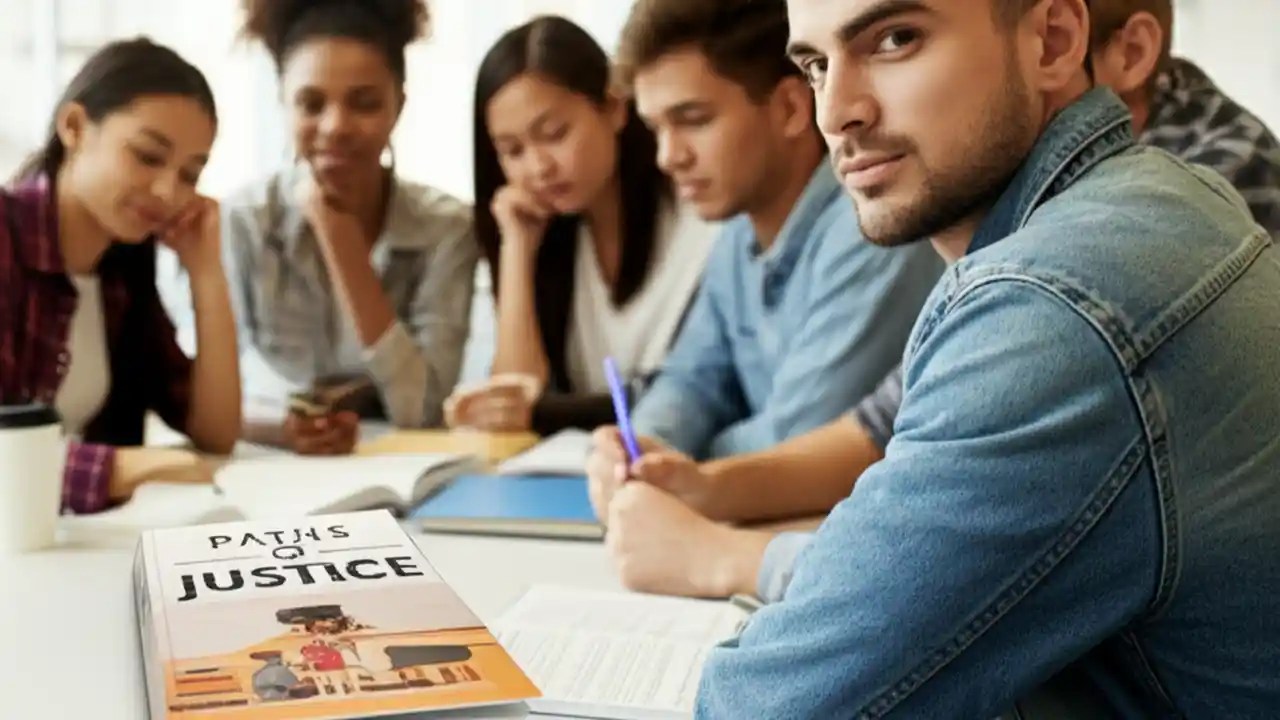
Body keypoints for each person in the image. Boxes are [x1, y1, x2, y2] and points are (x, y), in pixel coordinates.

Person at [651, 0, 1275, 715]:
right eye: (818, 65)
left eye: (894, 39)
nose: (836, 113)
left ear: (1053, 40)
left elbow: (771, 706)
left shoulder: (1049, 309)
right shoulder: (1171, 198)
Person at [588, 0, 942, 464]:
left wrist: (676, 466)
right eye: (656, 129)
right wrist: (648, 443)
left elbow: (797, 439)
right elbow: (691, 379)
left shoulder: (871, 229)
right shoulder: (736, 235)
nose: (667, 156)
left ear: (792, 108)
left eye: (693, 120)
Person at [219, 0, 478, 455]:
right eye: (311, 103)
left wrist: (341, 243)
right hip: (271, 465)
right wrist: (281, 429)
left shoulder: (447, 229)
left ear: (399, 102)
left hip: (399, 473)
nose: (336, 126)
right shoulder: (243, 222)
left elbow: (420, 410)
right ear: (283, 103)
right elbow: (202, 396)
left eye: (364, 103)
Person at [445, 15, 721, 436]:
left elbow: (704, 390)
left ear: (613, 108)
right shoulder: (553, 237)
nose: (538, 167)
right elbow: (516, 403)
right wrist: (517, 247)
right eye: (512, 150)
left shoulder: (701, 213)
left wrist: (548, 412)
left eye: (554, 134)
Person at [0, 38, 241, 513]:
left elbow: (215, 432)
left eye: (190, 174)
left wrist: (207, 274)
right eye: (148, 156)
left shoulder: (122, 269)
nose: (168, 191)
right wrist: (126, 468)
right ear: (73, 127)